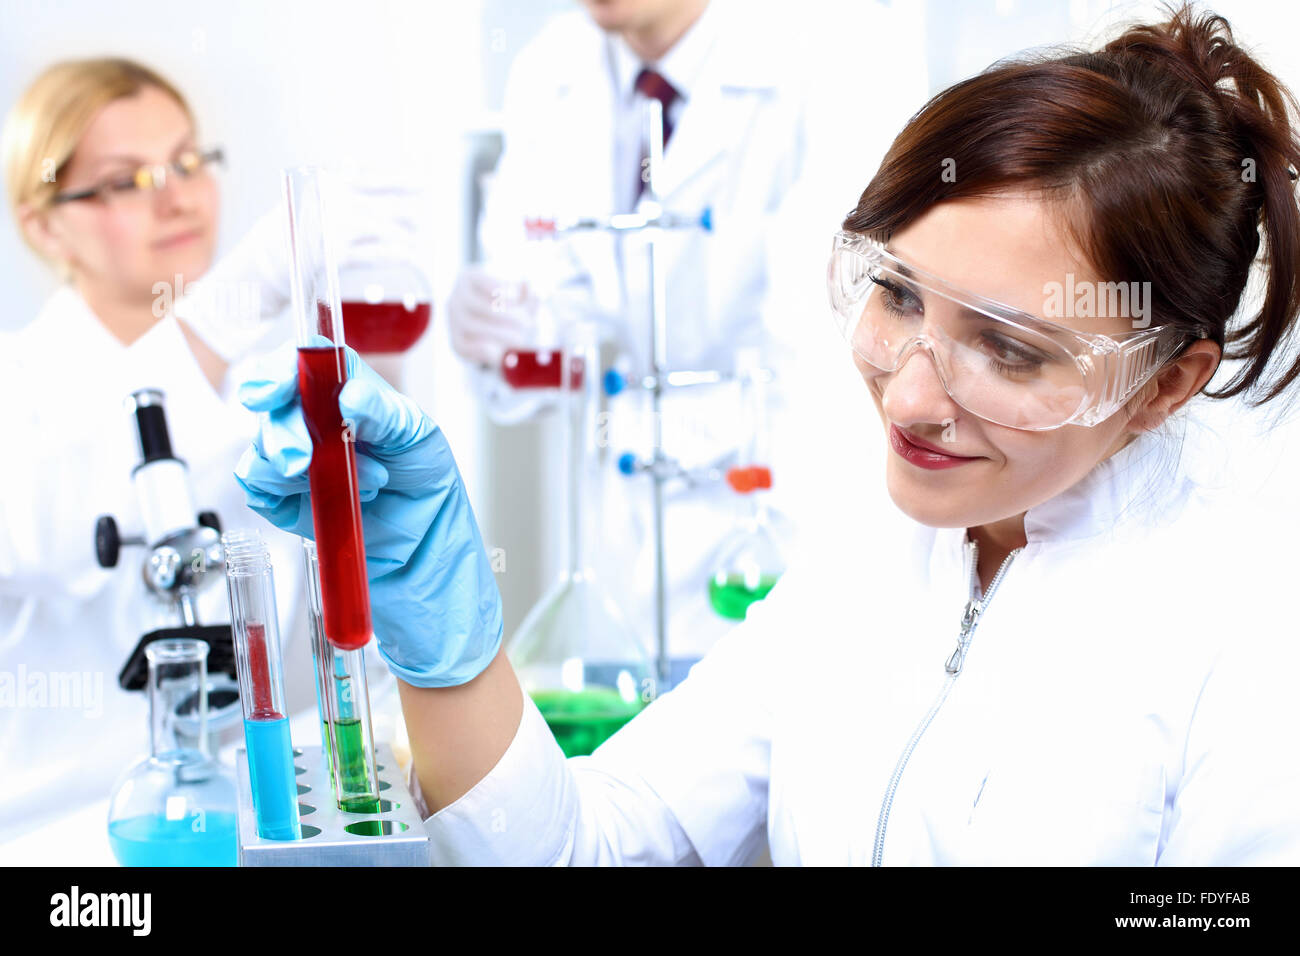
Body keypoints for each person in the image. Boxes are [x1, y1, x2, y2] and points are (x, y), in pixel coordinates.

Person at [235, 5, 1300, 864]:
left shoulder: (1247, 633)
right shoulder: (866, 563)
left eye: (1007, 349)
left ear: (1165, 383)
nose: (911, 397)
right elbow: (587, 847)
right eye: (895, 296)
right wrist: (445, 646)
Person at [448, 0, 925, 666]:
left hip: (781, 511)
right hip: (617, 526)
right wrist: (496, 329)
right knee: (620, 743)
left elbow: (835, 316)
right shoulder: (550, 70)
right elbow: (539, 311)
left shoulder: (825, 50)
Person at [0, 58, 318, 852]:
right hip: (62, 848)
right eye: (127, 180)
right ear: (43, 224)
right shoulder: (18, 388)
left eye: (186, 162)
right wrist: (221, 318)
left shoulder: (262, 388)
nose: (176, 196)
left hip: (250, 827)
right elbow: (39, 526)